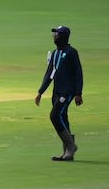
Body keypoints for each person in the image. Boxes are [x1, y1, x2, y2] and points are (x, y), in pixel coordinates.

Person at [35, 25, 84, 162]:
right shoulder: (55, 53)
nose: (54, 37)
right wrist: (40, 92)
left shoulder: (71, 52)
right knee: (62, 117)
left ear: (63, 37)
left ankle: (71, 146)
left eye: (57, 34)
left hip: (67, 91)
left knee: (55, 116)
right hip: (57, 91)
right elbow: (49, 74)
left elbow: (78, 73)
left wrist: (78, 93)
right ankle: (67, 153)